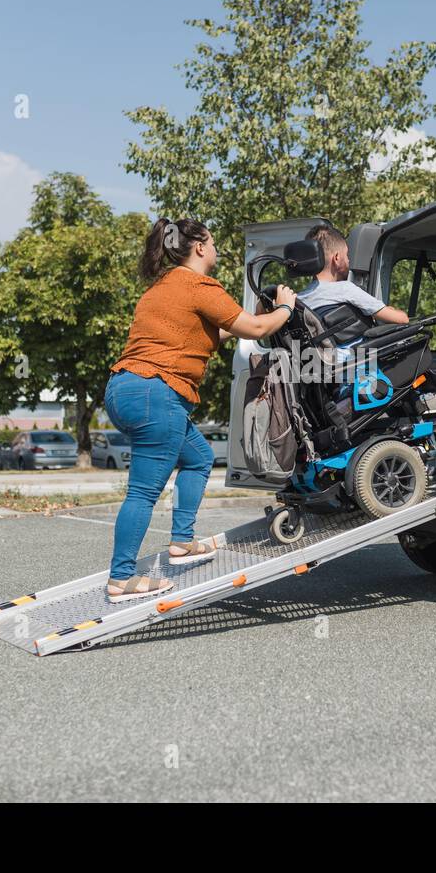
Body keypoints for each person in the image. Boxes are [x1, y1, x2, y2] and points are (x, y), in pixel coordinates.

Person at [104, 217, 297, 601]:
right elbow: (258, 331)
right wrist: (286, 309)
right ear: (200, 248)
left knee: (198, 457)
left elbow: (219, 331)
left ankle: (181, 541)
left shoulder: (161, 288)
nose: (217, 249)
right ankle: (121, 578)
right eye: (213, 242)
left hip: (124, 388)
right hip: (157, 393)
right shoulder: (199, 284)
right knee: (143, 492)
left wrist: (258, 312)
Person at [296, 225, 436, 414]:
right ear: (336, 259)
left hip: (328, 377)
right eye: (347, 255)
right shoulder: (344, 289)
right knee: (412, 339)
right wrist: (393, 311)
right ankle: (422, 400)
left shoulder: (299, 301)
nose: (349, 260)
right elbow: (399, 319)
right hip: (360, 371)